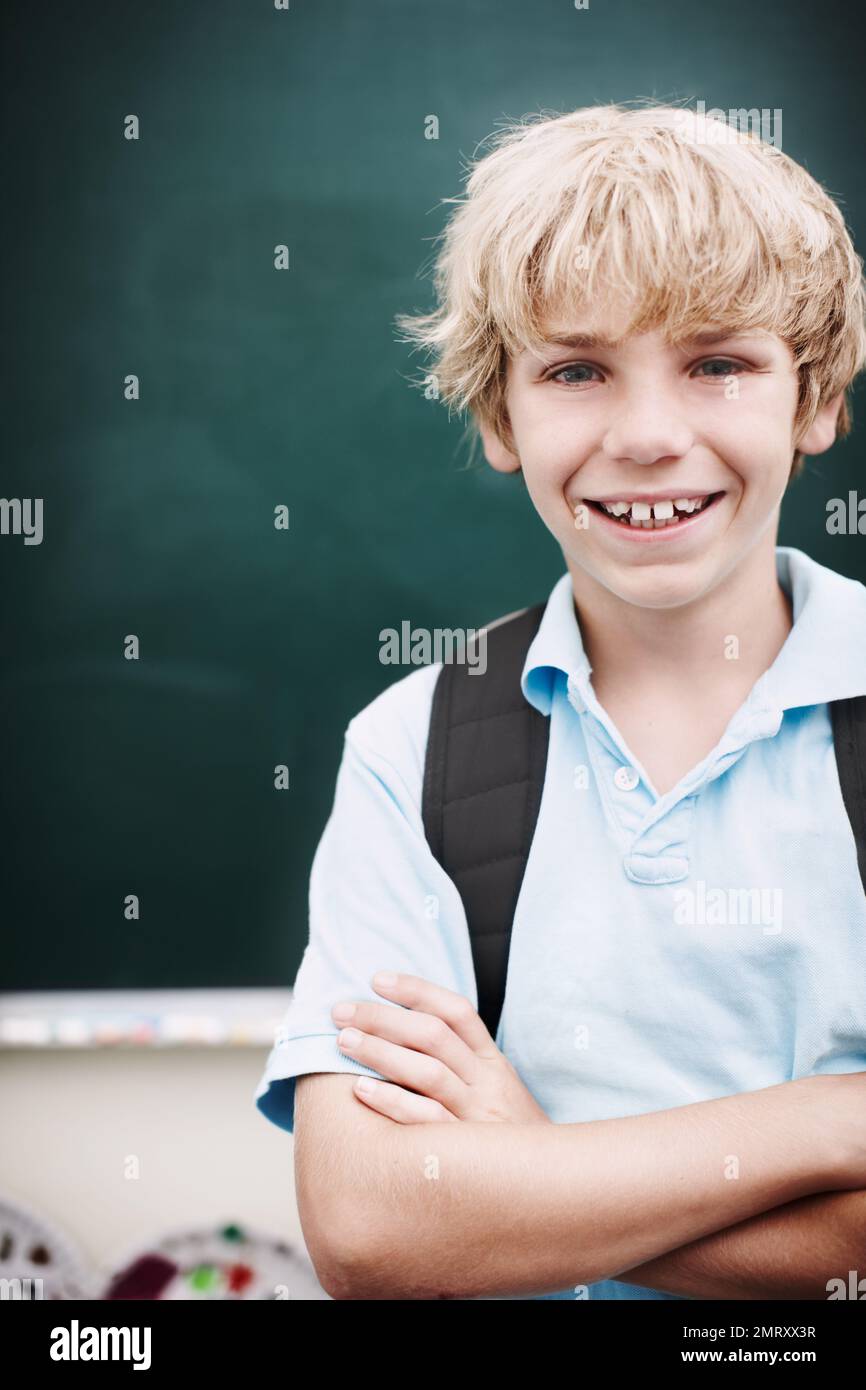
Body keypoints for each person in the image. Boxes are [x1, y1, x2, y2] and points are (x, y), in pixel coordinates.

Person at [255, 104, 866, 1299]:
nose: (645, 435)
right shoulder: (410, 747)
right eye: (576, 370)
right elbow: (372, 1230)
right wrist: (834, 1122)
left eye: (718, 363)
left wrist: (525, 1172)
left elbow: (442, 1224)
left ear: (814, 401)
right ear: (499, 415)